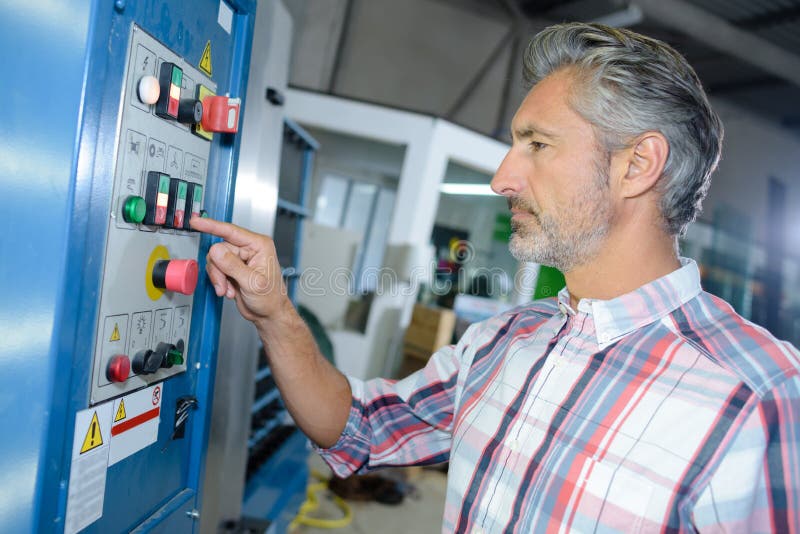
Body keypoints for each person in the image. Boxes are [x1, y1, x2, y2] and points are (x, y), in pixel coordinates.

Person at [191, 22, 800, 533]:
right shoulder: (504, 341)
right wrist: (275, 314)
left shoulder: (758, 396)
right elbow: (358, 426)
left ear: (637, 165)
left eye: (536, 144)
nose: (502, 178)